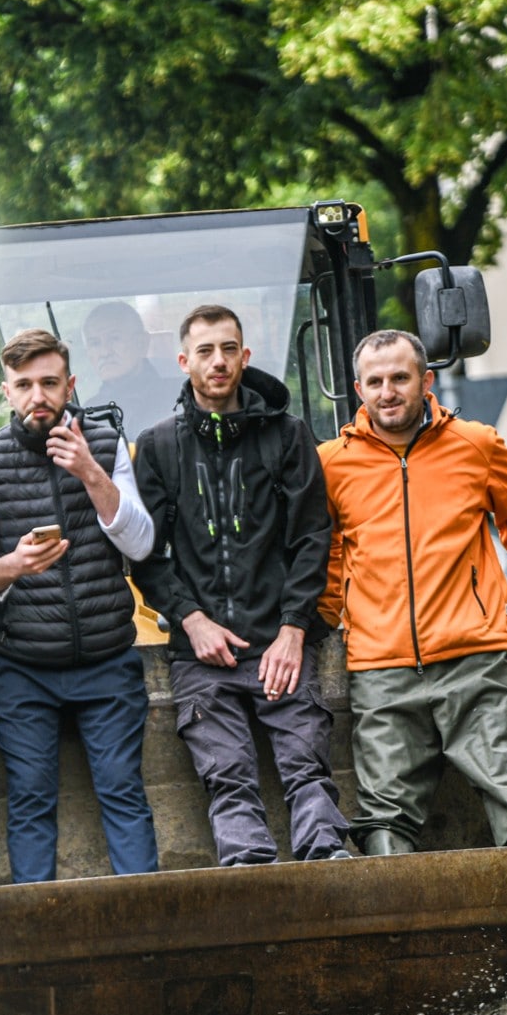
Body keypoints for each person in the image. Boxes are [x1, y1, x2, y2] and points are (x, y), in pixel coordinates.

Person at [318, 329, 507, 854]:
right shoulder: (332, 464)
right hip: (381, 671)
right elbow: (329, 552)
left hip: (478, 659)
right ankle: (402, 933)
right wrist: (317, 623)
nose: (388, 392)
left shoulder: (477, 444)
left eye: (400, 379)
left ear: (425, 381)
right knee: (383, 820)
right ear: (357, 389)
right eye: (376, 381)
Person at [129, 303, 351, 866]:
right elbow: (147, 555)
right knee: (227, 775)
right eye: (205, 351)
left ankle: (329, 863)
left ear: (245, 356)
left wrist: (293, 630)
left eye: (229, 349)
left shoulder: (287, 435)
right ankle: (249, 873)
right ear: (184, 361)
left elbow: (311, 539)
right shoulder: (156, 448)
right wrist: (190, 619)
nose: (218, 361)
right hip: (202, 655)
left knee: (306, 764)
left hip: (278, 643)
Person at [0, 327, 160, 884]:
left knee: (124, 794)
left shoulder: (109, 447)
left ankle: (147, 926)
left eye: (49, 383)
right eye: (24, 385)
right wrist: (11, 566)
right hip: (23, 668)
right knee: (30, 804)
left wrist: (90, 472)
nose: (37, 396)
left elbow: (141, 543)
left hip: (107, 658)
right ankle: (35, 931)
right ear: (7, 392)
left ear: (70, 386)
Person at [81, 301, 178, 437]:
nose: (104, 352)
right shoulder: (88, 414)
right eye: (95, 343)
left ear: (142, 343)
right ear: (88, 354)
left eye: (114, 339)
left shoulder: (181, 395)